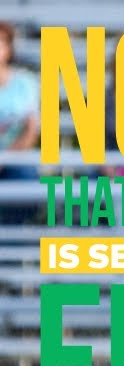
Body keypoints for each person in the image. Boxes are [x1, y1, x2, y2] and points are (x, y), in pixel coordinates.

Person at [0, 21, 39, 225]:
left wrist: (5, 158)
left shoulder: (25, 82)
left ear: (9, 48)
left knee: (27, 185)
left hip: (16, 158)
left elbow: (31, 131)